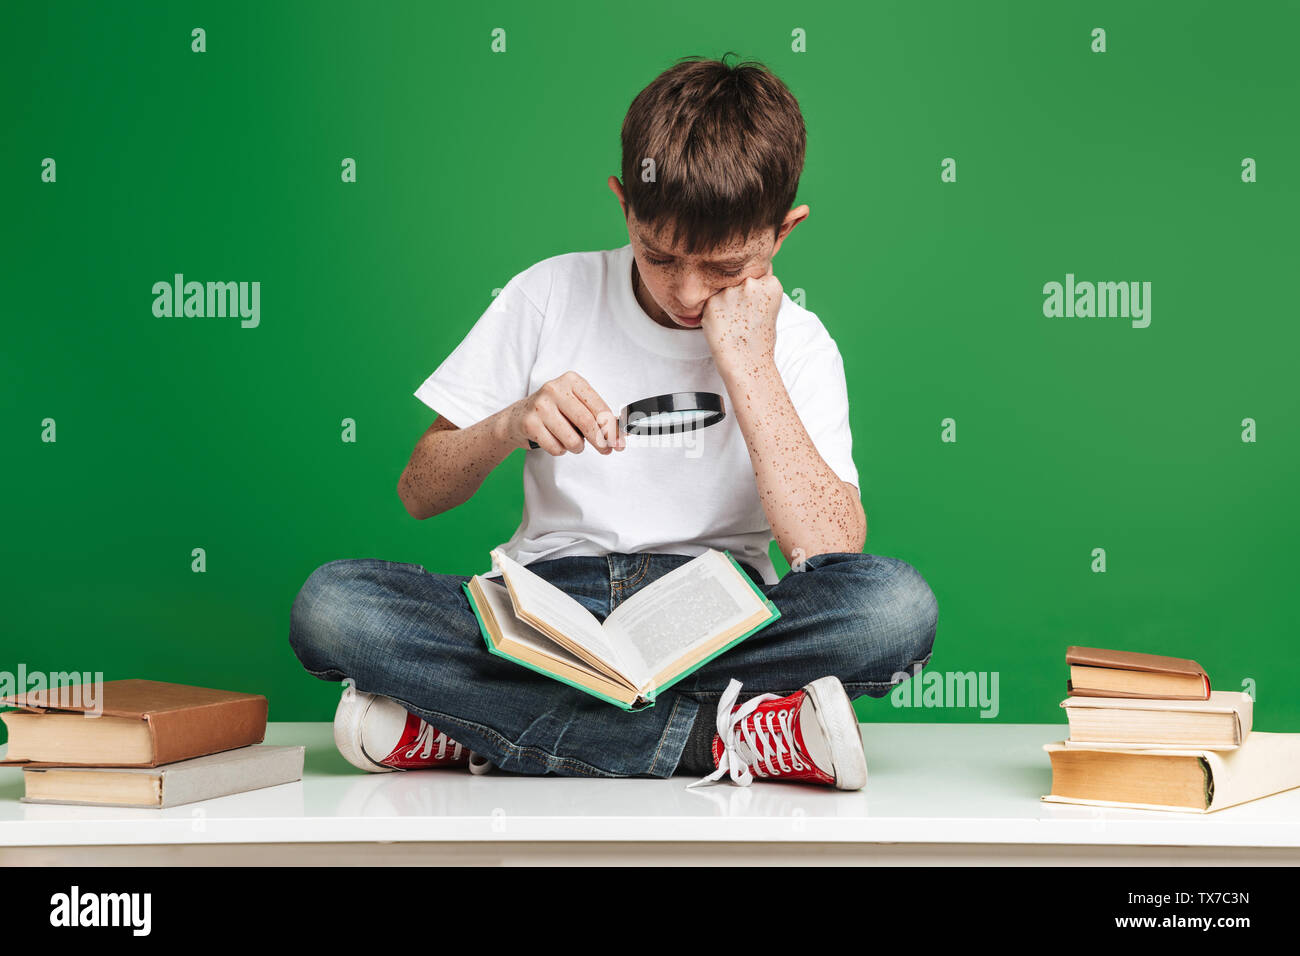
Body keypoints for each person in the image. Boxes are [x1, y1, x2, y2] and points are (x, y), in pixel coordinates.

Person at [289, 54, 938, 790]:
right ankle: (728, 740)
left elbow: (829, 552)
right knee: (332, 605)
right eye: (660, 255)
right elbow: (419, 491)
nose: (688, 293)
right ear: (624, 203)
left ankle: (471, 729)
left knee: (894, 609)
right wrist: (509, 423)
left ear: (782, 232)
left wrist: (750, 367)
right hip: (544, 614)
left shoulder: (800, 343)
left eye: (724, 268)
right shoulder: (548, 293)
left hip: (721, 620)